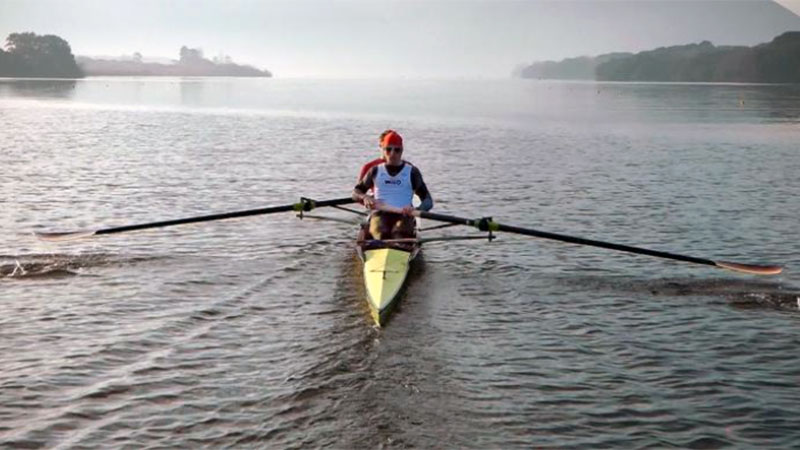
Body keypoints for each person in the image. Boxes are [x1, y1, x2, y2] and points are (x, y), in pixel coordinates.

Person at [352, 131, 433, 240]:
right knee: (381, 233)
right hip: (380, 214)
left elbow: (428, 201)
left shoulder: (412, 172)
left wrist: (417, 210)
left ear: (402, 151)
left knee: (398, 232)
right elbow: (356, 193)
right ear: (383, 150)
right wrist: (365, 197)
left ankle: (396, 246)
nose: (392, 153)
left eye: (397, 150)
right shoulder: (375, 171)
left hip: (404, 216)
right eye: (388, 149)